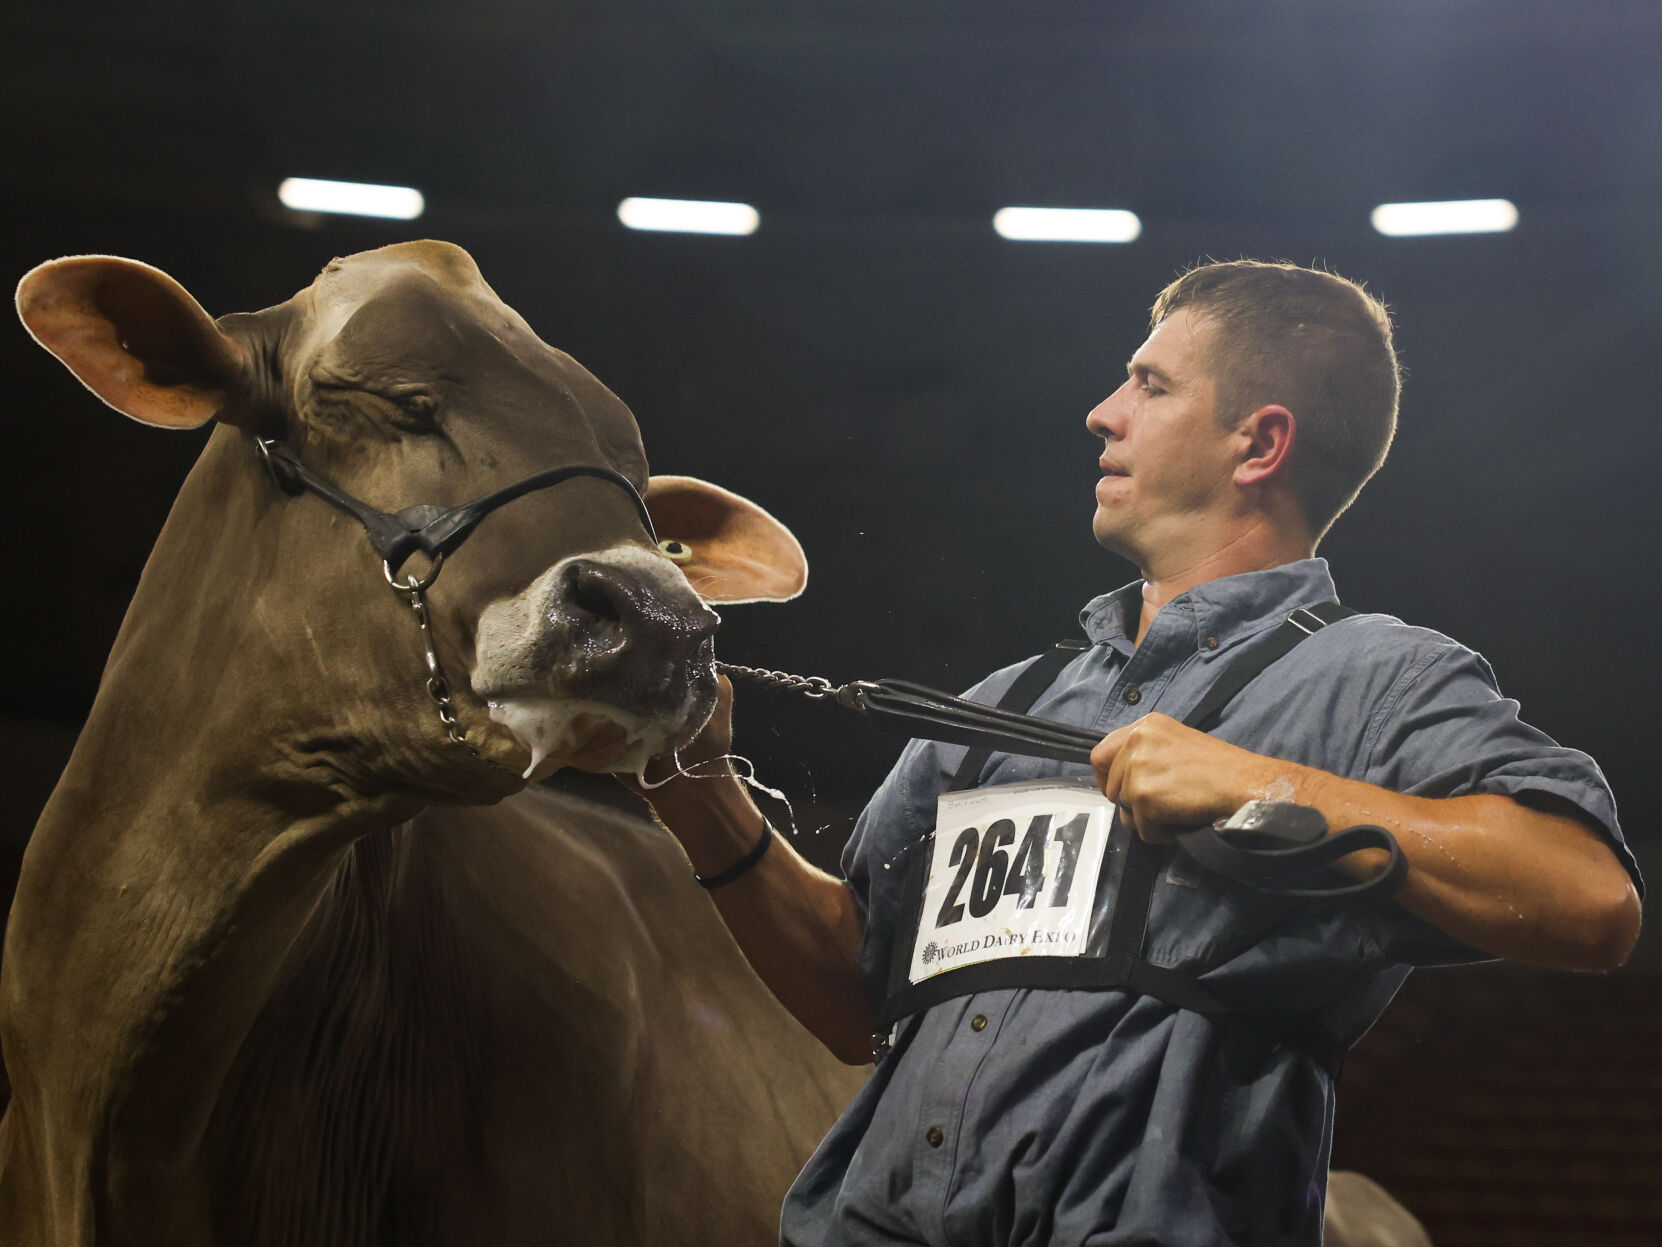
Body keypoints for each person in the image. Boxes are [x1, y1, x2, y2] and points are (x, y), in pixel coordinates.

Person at [633, 260, 1642, 1246]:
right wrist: (702, 790)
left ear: (1261, 443)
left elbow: (1589, 899)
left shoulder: (1379, 677)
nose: (1103, 412)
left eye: (1149, 384)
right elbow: (857, 1003)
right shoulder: (1007, 700)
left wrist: (1254, 783)